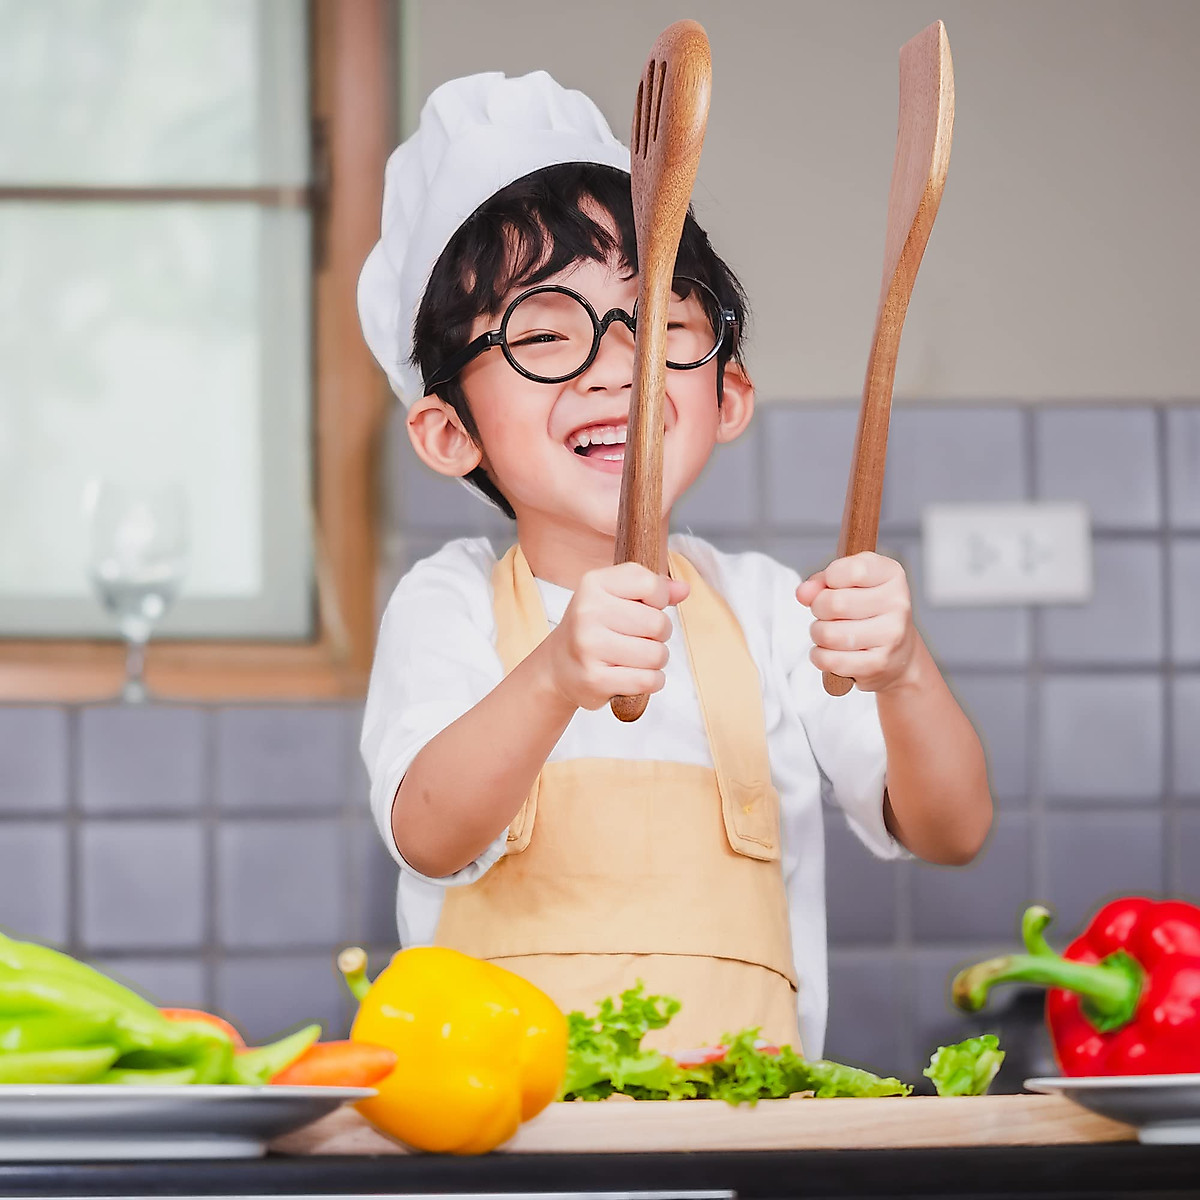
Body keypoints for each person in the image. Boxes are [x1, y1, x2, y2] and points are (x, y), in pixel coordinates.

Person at [357, 70, 992, 1058]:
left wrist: (906, 673)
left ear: (728, 391)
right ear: (447, 432)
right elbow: (429, 833)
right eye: (542, 336)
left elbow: (950, 831)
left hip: (744, 1141)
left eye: (657, 324)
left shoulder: (770, 611)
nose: (616, 363)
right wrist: (555, 675)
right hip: (508, 1145)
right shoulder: (447, 607)